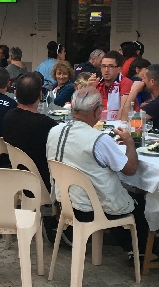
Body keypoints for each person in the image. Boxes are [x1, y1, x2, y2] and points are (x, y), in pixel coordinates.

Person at [46, 87, 147, 260]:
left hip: (66, 201)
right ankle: (140, 252)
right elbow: (130, 170)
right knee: (139, 202)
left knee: (110, 194)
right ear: (97, 111)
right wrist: (130, 143)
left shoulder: (54, 131)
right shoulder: (98, 139)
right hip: (90, 207)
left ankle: (128, 246)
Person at [2, 74, 58, 191]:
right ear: (40, 95)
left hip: (15, 179)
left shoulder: (8, 116)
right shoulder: (47, 124)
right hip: (42, 184)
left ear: (16, 94)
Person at [93, 51, 133, 120]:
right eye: (103, 66)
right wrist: (89, 89)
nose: (106, 70)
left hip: (119, 126)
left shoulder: (126, 82)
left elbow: (123, 110)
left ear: (119, 69)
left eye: (110, 66)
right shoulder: (97, 83)